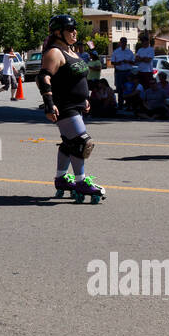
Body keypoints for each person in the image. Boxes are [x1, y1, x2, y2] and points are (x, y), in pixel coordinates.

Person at [37, 14, 104, 201]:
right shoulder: (54, 52)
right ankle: (81, 181)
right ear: (58, 33)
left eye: (75, 29)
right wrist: (49, 104)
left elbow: (77, 77)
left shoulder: (71, 51)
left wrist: (85, 99)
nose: (74, 32)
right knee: (81, 142)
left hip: (77, 105)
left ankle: (61, 179)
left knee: (69, 143)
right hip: (64, 106)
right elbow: (43, 77)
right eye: (70, 29)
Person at [110, 37, 135, 108]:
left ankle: (128, 104)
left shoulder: (130, 52)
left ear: (126, 43)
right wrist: (118, 63)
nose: (124, 43)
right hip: (119, 72)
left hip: (128, 72)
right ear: (120, 43)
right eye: (122, 42)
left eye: (125, 42)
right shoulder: (116, 52)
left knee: (128, 88)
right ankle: (120, 104)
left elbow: (134, 62)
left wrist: (128, 61)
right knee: (119, 88)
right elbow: (112, 62)